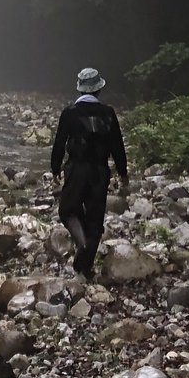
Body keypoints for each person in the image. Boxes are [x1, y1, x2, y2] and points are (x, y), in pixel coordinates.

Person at [50, 66, 128, 278]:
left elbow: (59, 143)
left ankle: (81, 246)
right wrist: (123, 174)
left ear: (80, 90)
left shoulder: (70, 113)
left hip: (76, 169)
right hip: (100, 172)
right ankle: (84, 266)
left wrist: (55, 168)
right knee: (95, 221)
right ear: (98, 90)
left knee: (68, 210)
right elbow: (117, 146)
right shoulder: (108, 113)